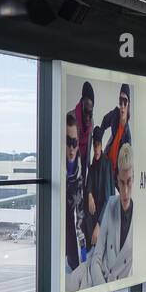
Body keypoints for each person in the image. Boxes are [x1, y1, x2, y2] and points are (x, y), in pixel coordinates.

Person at [89, 143, 134, 283]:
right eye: (121, 183)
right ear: (117, 181)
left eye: (129, 182)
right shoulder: (111, 204)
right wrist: (103, 288)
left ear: (135, 178)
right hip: (103, 283)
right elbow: (96, 257)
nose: (125, 192)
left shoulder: (142, 215)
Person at [64, 111, 84, 273]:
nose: (71, 148)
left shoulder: (80, 172)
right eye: (67, 142)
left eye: (74, 143)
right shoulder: (59, 173)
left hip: (79, 249)